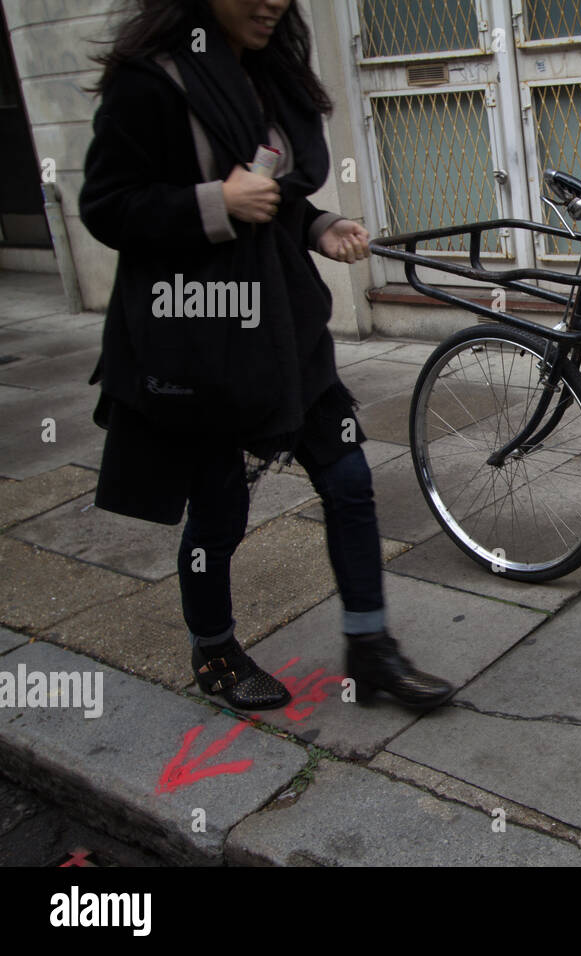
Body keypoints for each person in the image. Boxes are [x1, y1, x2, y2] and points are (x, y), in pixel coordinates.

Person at [80, 0, 454, 712]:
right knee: (219, 509)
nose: (273, 1)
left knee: (348, 479)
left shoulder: (269, 73)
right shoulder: (151, 80)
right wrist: (212, 202)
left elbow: (274, 197)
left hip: (286, 331)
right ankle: (215, 650)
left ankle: (370, 648)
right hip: (205, 341)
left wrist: (318, 224)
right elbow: (106, 205)